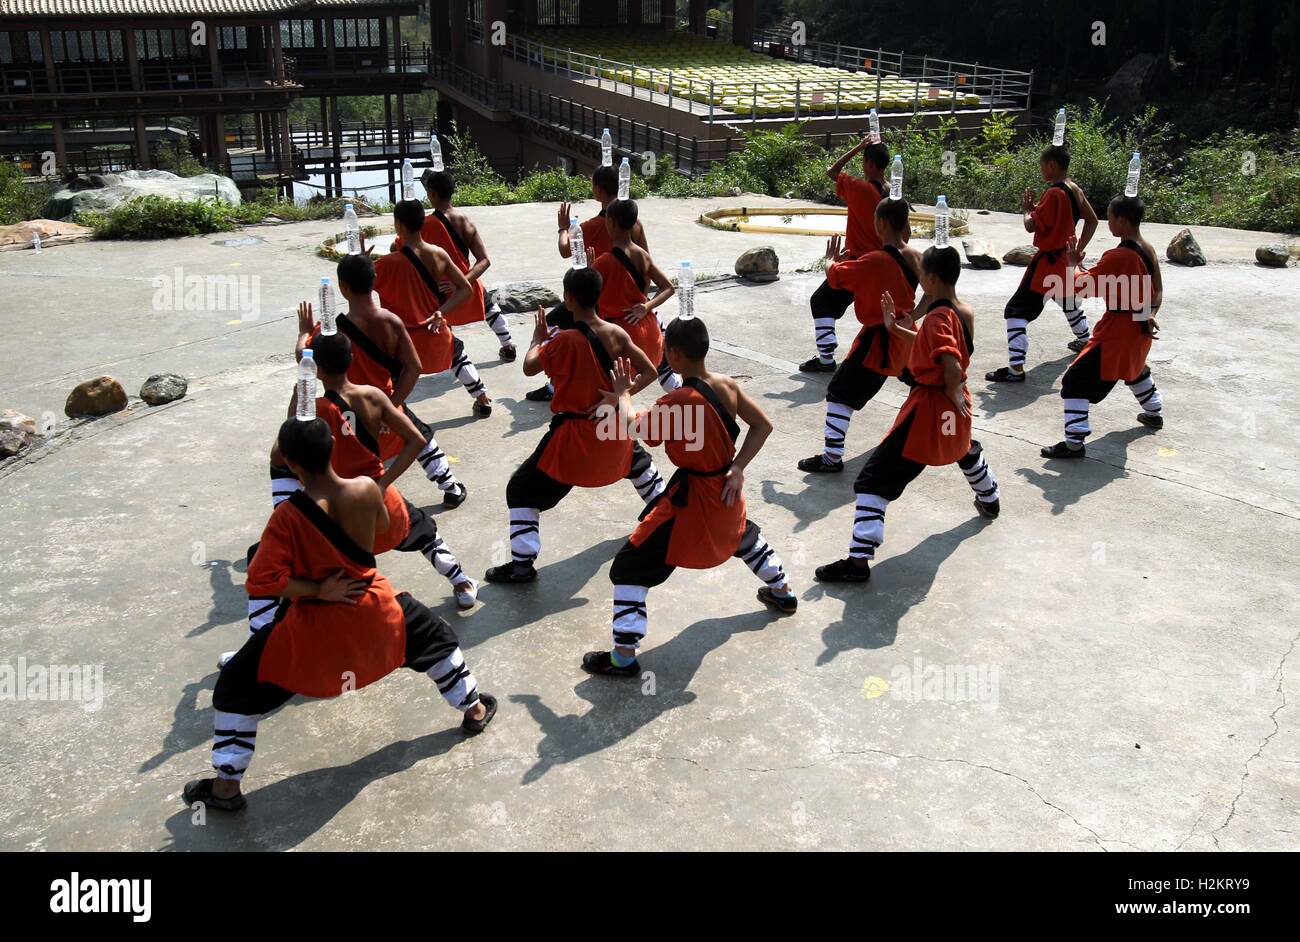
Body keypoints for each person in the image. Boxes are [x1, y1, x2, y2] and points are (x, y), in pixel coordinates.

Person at [183, 417, 496, 812]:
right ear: (332, 446)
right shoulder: (367, 489)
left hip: (314, 628)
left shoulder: (287, 517)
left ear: (291, 464)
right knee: (436, 638)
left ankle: (226, 787)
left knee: (235, 686)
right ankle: (474, 710)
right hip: (374, 606)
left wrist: (317, 588)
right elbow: (383, 530)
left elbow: (261, 582)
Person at [584, 317, 797, 677]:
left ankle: (623, 656)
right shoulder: (727, 385)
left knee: (629, 566)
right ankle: (784, 591)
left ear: (675, 354)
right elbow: (763, 425)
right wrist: (739, 467)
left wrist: (622, 395)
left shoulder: (679, 400)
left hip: (692, 500)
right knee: (741, 535)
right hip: (726, 491)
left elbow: (636, 427)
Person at [816, 246, 1002, 584]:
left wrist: (951, 386)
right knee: (960, 446)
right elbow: (936, 344)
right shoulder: (964, 311)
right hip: (954, 409)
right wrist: (896, 328)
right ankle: (989, 497)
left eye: (922, 275)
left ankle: (858, 561)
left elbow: (948, 359)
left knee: (873, 480)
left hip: (929, 408)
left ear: (931, 279)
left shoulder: (937, 318)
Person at [485, 267, 667, 584]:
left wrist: (537, 339)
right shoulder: (617, 333)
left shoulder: (564, 340)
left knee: (520, 491)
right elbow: (650, 371)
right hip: (613, 429)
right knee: (641, 466)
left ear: (568, 298)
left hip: (573, 439)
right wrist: (618, 397)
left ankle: (522, 565)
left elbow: (529, 367)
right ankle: (666, 523)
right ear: (599, 296)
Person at [314, 253, 467, 506]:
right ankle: (449, 486)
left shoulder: (332, 331)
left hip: (347, 408)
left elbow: (306, 358)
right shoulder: (390, 321)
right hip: (384, 400)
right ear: (374, 280)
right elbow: (413, 368)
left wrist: (303, 332)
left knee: (353, 455)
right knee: (420, 437)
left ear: (342, 287)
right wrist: (393, 406)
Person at [797, 197, 924, 474]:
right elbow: (935, 291)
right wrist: (913, 316)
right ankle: (925, 425)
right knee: (921, 382)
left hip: (879, 342)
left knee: (839, 393)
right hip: (906, 335)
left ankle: (832, 457)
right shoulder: (916, 256)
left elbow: (836, 277)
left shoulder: (874, 260)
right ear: (905, 224)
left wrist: (831, 261)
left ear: (881, 223)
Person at [1041, 195, 1164, 459]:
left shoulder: (1118, 256)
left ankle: (1074, 443)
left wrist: (1072, 263)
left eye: (1110, 217)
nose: (1108, 223)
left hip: (1117, 332)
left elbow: (1080, 287)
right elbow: (1158, 291)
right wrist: (1151, 314)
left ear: (1122, 220)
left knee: (1074, 381)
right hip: (1140, 327)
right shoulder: (1148, 249)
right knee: (1133, 367)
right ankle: (1154, 412)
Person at [528, 165, 652, 402]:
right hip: (626, 300)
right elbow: (647, 266)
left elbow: (565, 249)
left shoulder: (594, 226)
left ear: (598, 190)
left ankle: (556, 383)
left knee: (553, 326)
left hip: (592, 296)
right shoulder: (635, 224)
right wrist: (643, 300)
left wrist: (563, 228)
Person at [986, 144, 1098, 383]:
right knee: (1068, 301)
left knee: (1015, 311)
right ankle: (1085, 340)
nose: (1041, 170)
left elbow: (1031, 225)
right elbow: (1092, 220)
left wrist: (1027, 210)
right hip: (1065, 260)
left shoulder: (1054, 193)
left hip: (1047, 263)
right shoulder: (1074, 189)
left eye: (1042, 165)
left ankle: (1016, 368)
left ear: (1052, 164)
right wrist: (1077, 249)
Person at [373, 200, 492, 416]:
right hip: (436, 331)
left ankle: (388, 416)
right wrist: (441, 311)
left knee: (388, 374)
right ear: (422, 223)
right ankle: (482, 399)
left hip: (403, 341)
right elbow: (465, 289)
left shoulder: (387, 263)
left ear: (398, 225)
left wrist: (361, 261)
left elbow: (357, 287)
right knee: (458, 354)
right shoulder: (439, 254)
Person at [800, 135, 892, 373]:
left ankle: (826, 359)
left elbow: (832, 171)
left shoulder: (861, 189)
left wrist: (857, 147)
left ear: (868, 163)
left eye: (863, 160)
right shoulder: (891, 192)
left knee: (820, 302)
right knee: (877, 316)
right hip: (885, 264)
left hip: (858, 264)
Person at [416, 168, 516, 361]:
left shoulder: (426, 224)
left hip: (442, 287)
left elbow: (406, 249)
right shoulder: (464, 221)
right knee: (490, 309)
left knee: (440, 319)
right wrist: (462, 281)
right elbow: (484, 260)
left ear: (432, 193)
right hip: (469, 281)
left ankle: (454, 357)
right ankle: (508, 345)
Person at [592, 198, 679, 392]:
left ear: (610, 222)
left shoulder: (604, 262)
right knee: (625, 393)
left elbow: (583, 294)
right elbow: (669, 288)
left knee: (612, 393)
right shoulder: (642, 255)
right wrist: (646, 307)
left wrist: (588, 268)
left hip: (622, 340)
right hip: (651, 335)